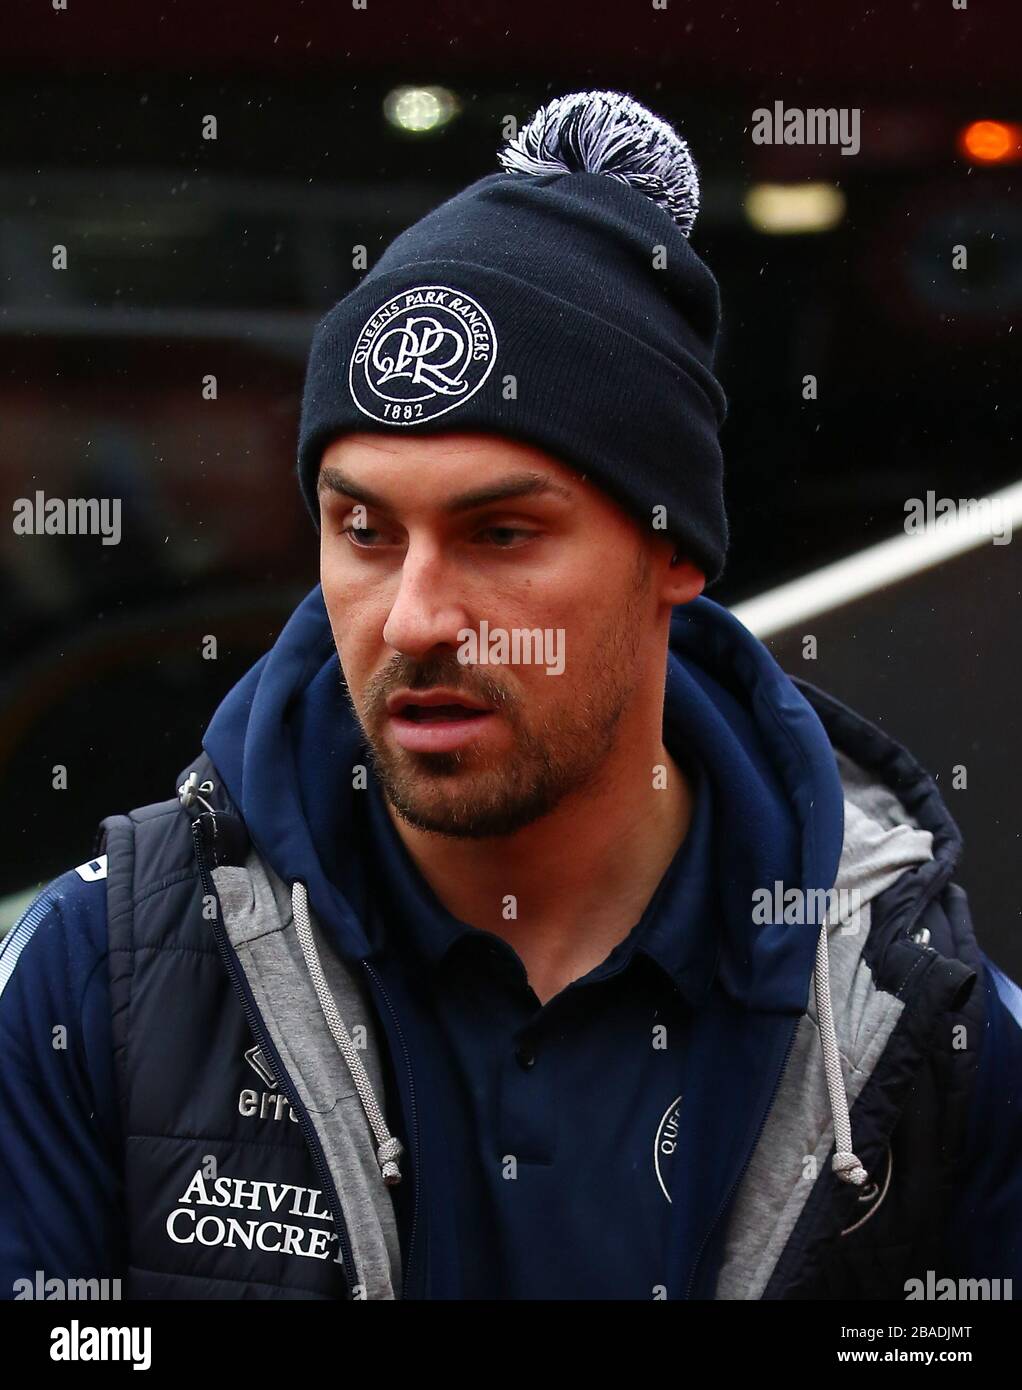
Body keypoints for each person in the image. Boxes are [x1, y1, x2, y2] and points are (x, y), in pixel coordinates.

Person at [1, 89, 1020, 1302]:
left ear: (671, 553)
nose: (418, 616)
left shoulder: (922, 1020)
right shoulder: (96, 975)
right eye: (364, 529)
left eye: (499, 531)